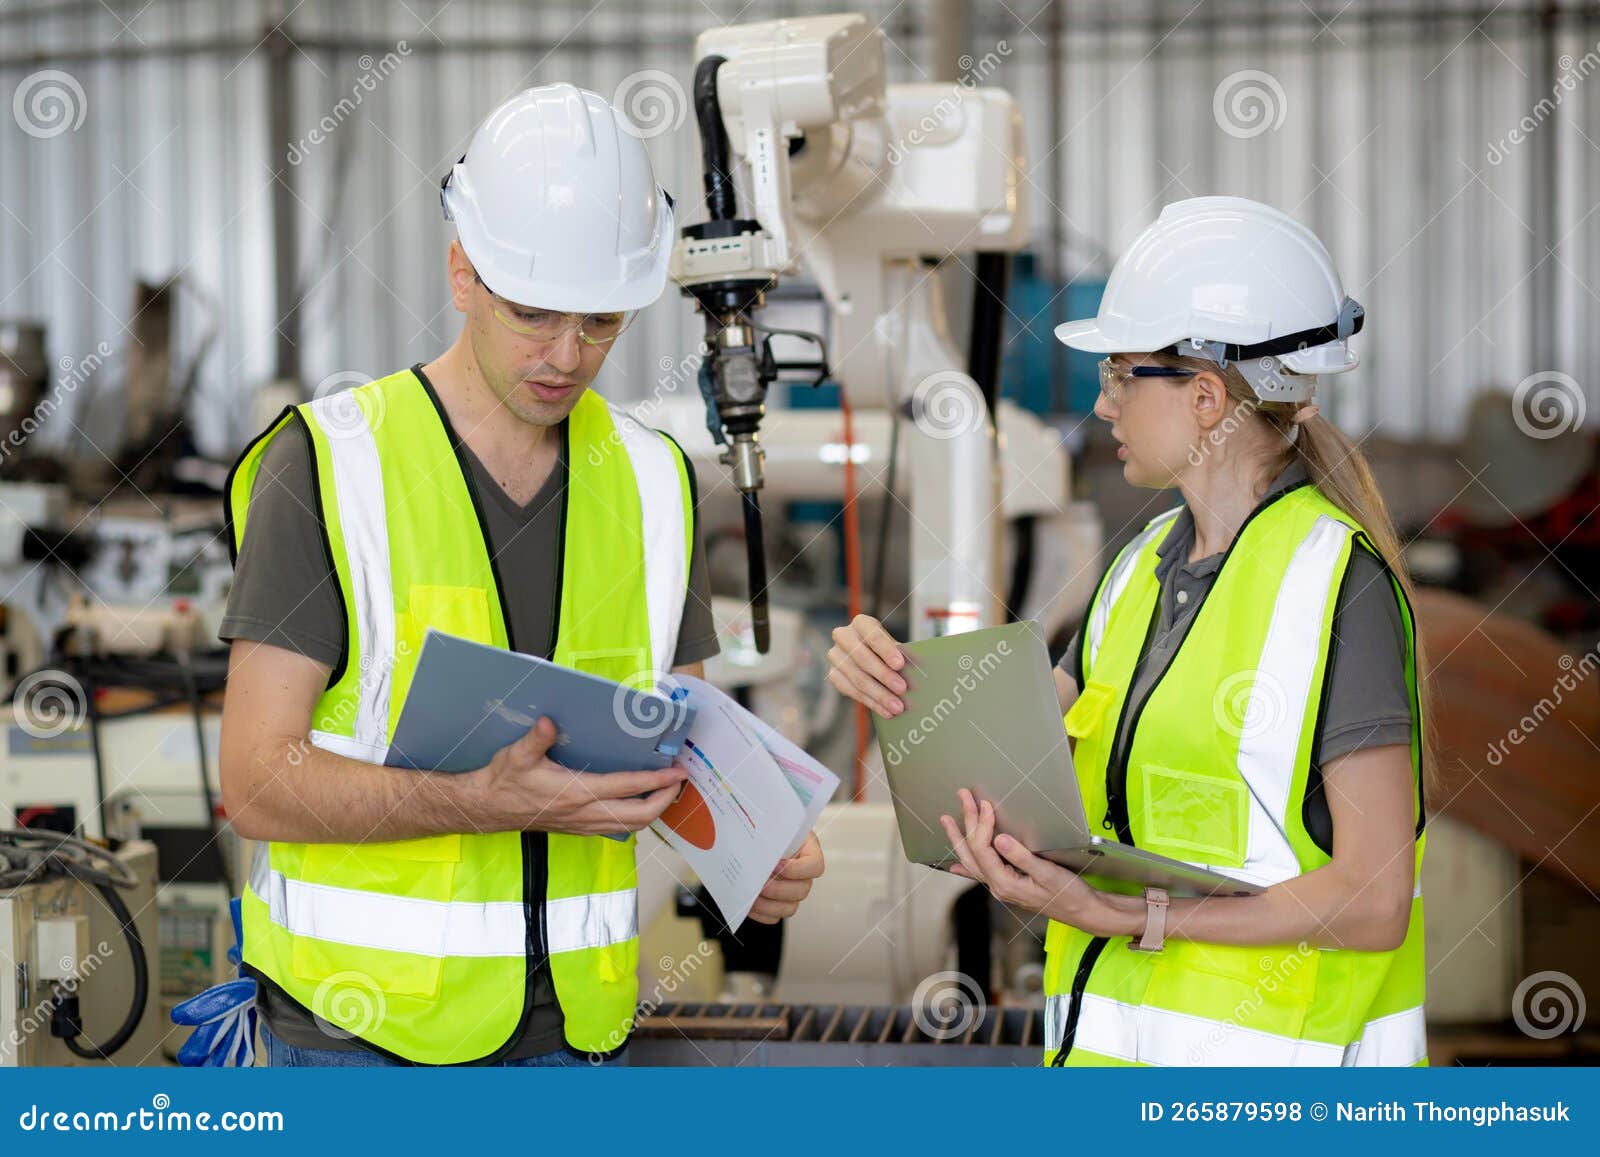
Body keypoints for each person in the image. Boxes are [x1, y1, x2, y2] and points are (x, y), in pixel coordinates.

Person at [219, 84, 824, 1068]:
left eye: (601, 322)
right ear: (462, 270)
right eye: (533, 312)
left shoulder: (649, 479)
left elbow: (674, 745)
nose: (565, 355)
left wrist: (748, 847)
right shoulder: (331, 463)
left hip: (580, 1041)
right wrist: (478, 800)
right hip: (356, 1042)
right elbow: (255, 782)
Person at [828, 197, 1427, 1067]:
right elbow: (1021, 760)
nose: (1103, 405)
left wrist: (1129, 917)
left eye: (1119, 374)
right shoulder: (1140, 563)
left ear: (1207, 396)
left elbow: (1376, 901)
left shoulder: (1341, 586)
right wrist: (894, 681)